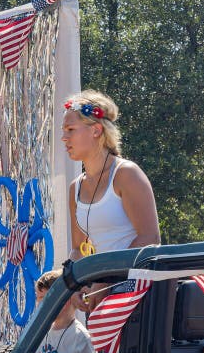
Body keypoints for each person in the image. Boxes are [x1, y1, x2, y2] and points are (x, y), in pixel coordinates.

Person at [63, 90, 160, 310]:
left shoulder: (126, 174)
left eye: (70, 130)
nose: (64, 138)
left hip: (137, 296)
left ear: (96, 130)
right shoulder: (75, 188)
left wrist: (105, 280)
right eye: (64, 131)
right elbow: (79, 249)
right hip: (102, 297)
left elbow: (150, 238)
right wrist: (76, 287)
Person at [26, 270, 100, 353]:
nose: (39, 304)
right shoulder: (40, 333)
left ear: (63, 301)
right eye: (38, 299)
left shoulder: (80, 336)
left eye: (43, 299)